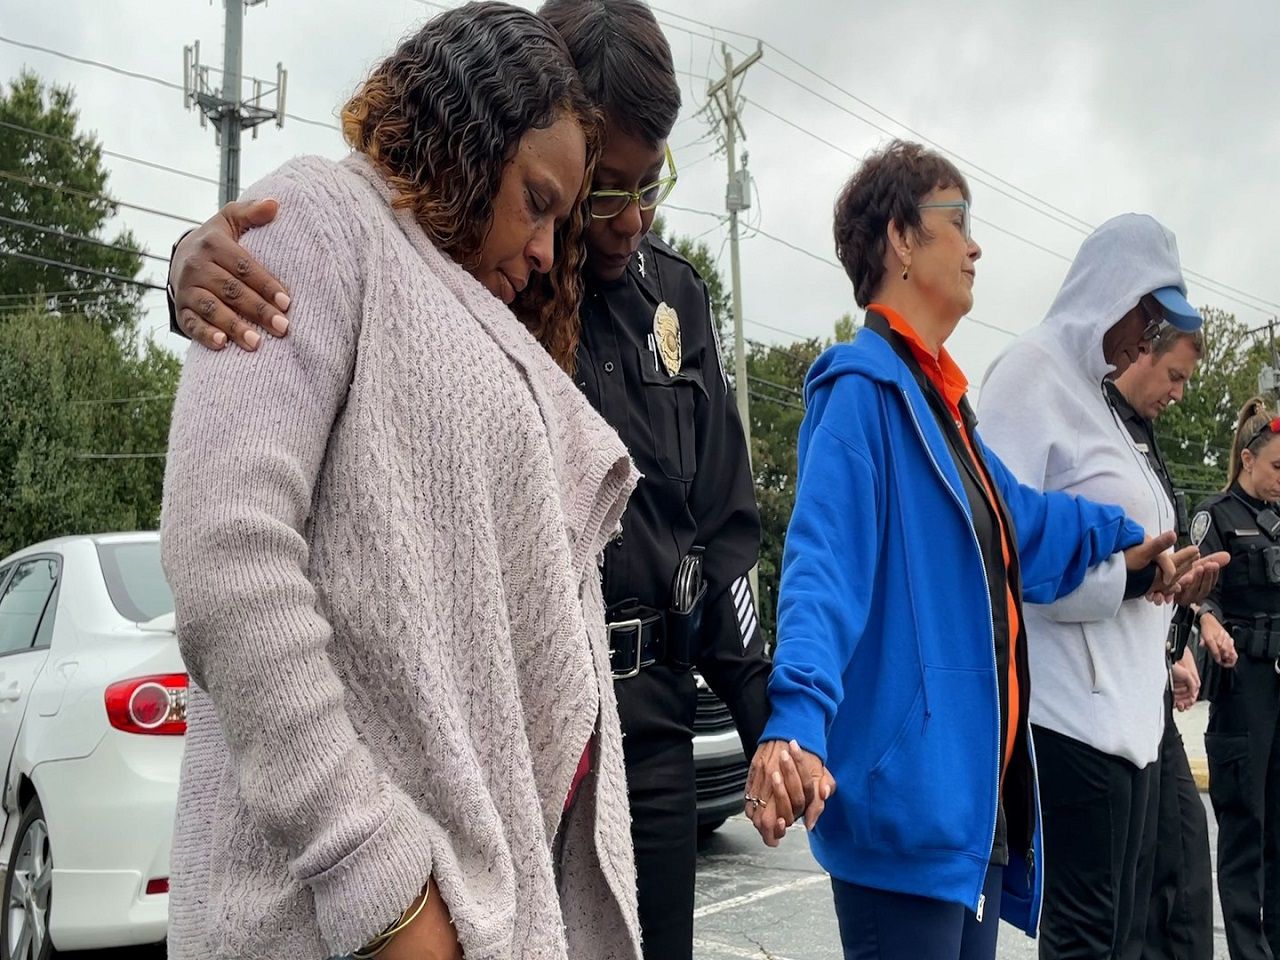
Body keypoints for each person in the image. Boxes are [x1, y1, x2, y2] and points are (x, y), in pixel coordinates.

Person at [163, 3, 771, 958]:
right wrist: (382, 880)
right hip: (388, 880)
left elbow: (724, 526)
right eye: (578, 194)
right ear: (483, 127)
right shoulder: (351, 229)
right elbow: (230, 545)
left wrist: (768, 718)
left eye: (631, 191)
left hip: (619, 755)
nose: (596, 232)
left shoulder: (641, 295)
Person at [743, 140, 1199, 960]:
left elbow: (1027, 521)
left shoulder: (944, 409)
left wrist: (1134, 545)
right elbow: (823, 571)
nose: (976, 245)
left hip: (970, 816)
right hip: (905, 818)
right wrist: (796, 721)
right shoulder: (860, 393)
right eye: (958, 222)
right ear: (901, 240)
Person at [977, 213, 1228, 960]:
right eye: (1148, 327)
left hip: (1131, 712)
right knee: (1088, 937)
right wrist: (1131, 578)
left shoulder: (1096, 400)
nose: (1141, 348)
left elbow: (1129, 547)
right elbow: (1002, 552)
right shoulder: (1028, 374)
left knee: (1127, 934)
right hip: (1070, 712)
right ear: (1118, 299)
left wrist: (1167, 580)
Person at [1110, 326, 1215, 960]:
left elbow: (1156, 573)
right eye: (1172, 376)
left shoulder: (1144, 438)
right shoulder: (1098, 425)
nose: (1177, 393)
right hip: (1102, 706)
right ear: (1138, 351)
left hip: (1151, 689)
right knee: (1130, 900)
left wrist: (1181, 633)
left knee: (1185, 870)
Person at [1194, 397, 1280, 960]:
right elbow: (1203, 593)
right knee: (1246, 830)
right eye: (1277, 467)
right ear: (1248, 460)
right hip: (1242, 686)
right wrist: (1210, 625)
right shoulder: (1217, 516)